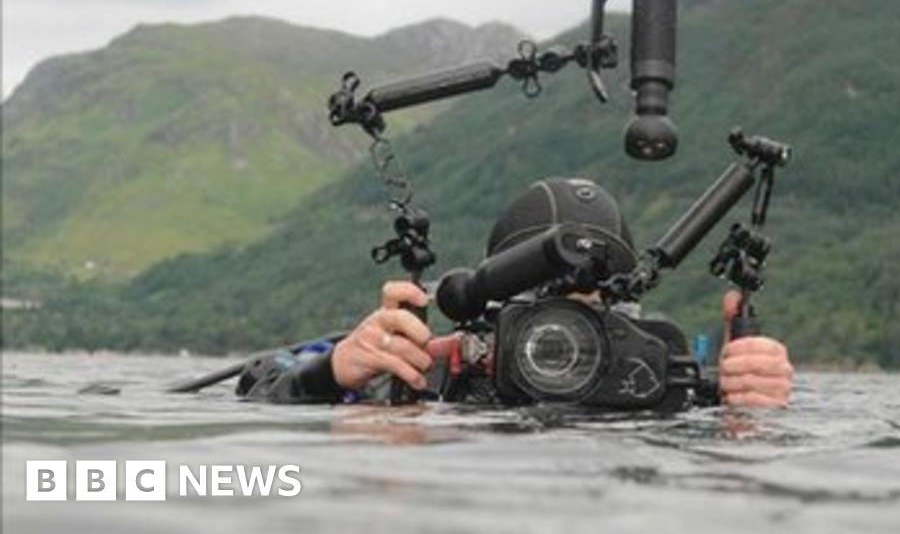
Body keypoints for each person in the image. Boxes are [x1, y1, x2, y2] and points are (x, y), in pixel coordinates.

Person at [237, 178, 794, 408]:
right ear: (487, 313)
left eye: (597, 311)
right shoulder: (433, 371)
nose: (561, 342)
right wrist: (333, 371)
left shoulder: (664, 383)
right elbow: (257, 380)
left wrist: (747, 402)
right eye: (537, 310)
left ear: (630, 316)